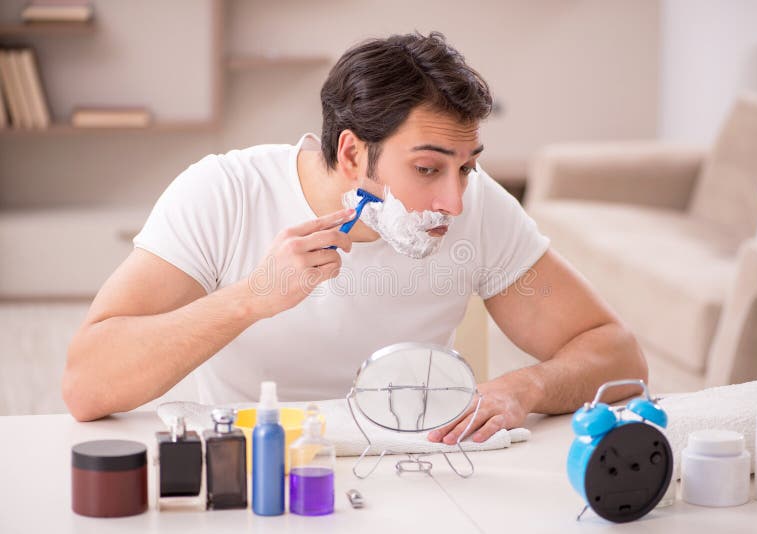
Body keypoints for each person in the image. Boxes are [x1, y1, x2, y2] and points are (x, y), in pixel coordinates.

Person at [63, 32, 647, 445]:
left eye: (467, 166)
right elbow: (87, 384)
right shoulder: (224, 193)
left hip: (410, 463)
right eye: (427, 168)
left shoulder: (478, 207)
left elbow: (618, 353)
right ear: (350, 152)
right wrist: (251, 298)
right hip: (257, 467)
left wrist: (529, 385)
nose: (455, 200)